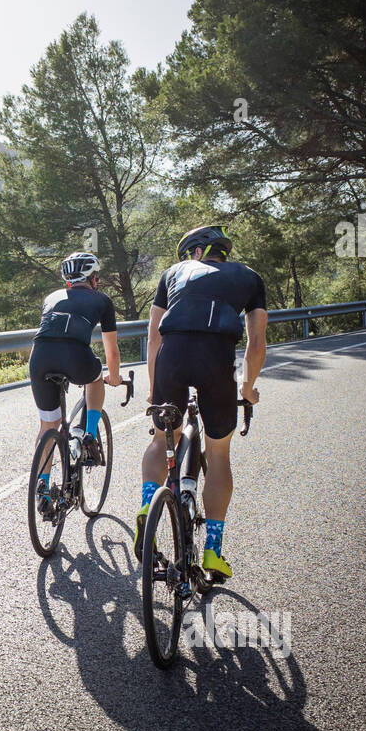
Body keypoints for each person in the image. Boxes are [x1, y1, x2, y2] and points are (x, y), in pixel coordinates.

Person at [136, 226, 267, 581]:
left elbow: (153, 335)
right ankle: (213, 551)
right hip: (216, 360)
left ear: (195, 253)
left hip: (172, 355)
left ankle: (148, 507)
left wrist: (153, 389)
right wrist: (248, 387)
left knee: (163, 438)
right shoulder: (250, 277)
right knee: (219, 453)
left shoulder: (172, 274)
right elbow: (256, 345)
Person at [29, 252, 122, 494]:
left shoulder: (51, 297)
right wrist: (114, 376)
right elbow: (112, 352)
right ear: (93, 278)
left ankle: (42, 486)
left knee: (49, 425)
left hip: (39, 357)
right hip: (75, 356)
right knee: (96, 377)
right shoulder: (102, 300)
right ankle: (90, 434)